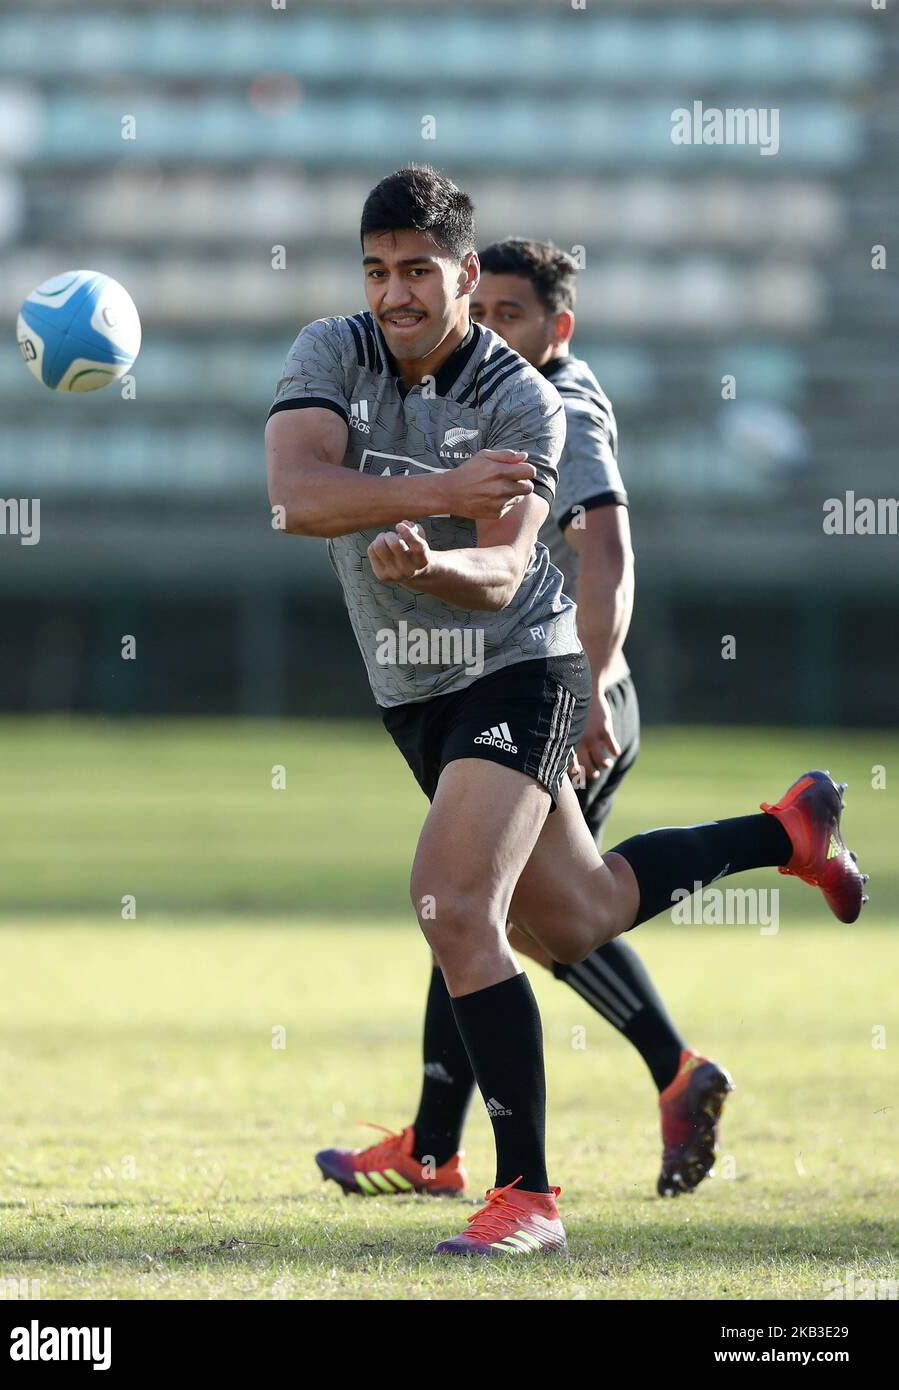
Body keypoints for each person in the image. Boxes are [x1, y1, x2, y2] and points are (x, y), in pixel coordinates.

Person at [266, 166, 866, 1258]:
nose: (395, 294)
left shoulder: (524, 398)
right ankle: (785, 833)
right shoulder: (330, 350)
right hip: (413, 691)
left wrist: (440, 559)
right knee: (580, 915)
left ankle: (526, 1194)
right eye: (377, 270)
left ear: (462, 271)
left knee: (453, 906)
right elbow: (296, 497)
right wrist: (435, 501)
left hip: (521, 668)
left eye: (419, 273)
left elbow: (502, 576)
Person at [317, 236, 731, 1204]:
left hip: (573, 687)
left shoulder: (565, 408)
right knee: (510, 905)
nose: (494, 328)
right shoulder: (481, 395)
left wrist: (590, 684)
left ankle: (459, 1147)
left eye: (514, 314)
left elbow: (608, 558)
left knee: (486, 903)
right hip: (526, 676)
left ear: (559, 327)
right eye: (487, 309)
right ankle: (446, 1136)